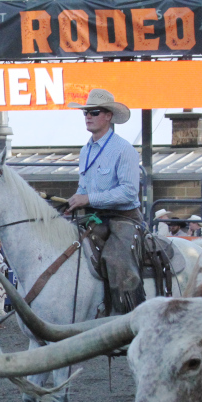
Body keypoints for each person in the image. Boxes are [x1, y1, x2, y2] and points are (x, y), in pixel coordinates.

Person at [64, 88, 147, 313]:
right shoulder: (85, 150)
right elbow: (84, 186)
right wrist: (73, 201)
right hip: (94, 217)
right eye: (85, 112)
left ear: (108, 116)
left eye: (94, 112)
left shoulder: (124, 150)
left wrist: (88, 198)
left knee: (114, 258)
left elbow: (129, 193)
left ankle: (128, 319)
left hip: (124, 219)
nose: (88, 116)